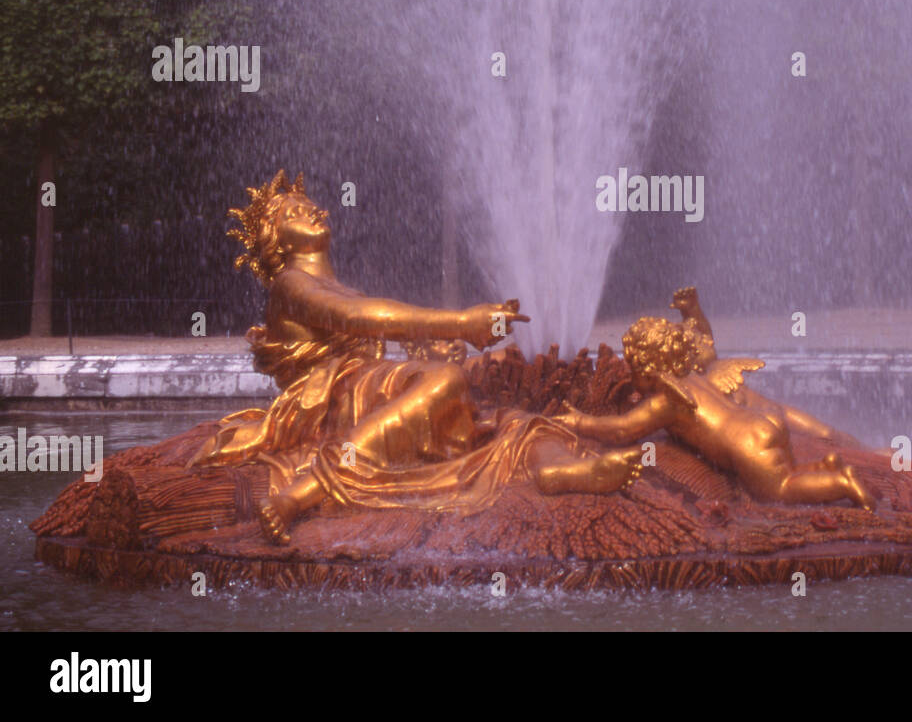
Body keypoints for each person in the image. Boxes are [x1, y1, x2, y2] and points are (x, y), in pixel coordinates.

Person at [189, 171, 640, 544]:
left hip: (365, 385)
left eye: (308, 204)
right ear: (275, 241)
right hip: (328, 401)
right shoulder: (290, 283)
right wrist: (461, 324)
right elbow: (362, 318)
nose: (309, 209)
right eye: (290, 212)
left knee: (508, 422)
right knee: (445, 383)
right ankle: (300, 494)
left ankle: (555, 468)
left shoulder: (331, 283)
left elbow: (369, 317)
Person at [556, 286, 875, 510]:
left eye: (633, 368)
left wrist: (579, 421)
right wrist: (692, 312)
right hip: (763, 424)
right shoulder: (694, 376)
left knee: (779, 489)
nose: (631, 376)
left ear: (648, 368)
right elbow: (705, 341)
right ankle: (825, 465)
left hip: (746, 444)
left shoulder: (667, 400)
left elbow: (624, 430)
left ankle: (842, 484)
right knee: (786, 470)